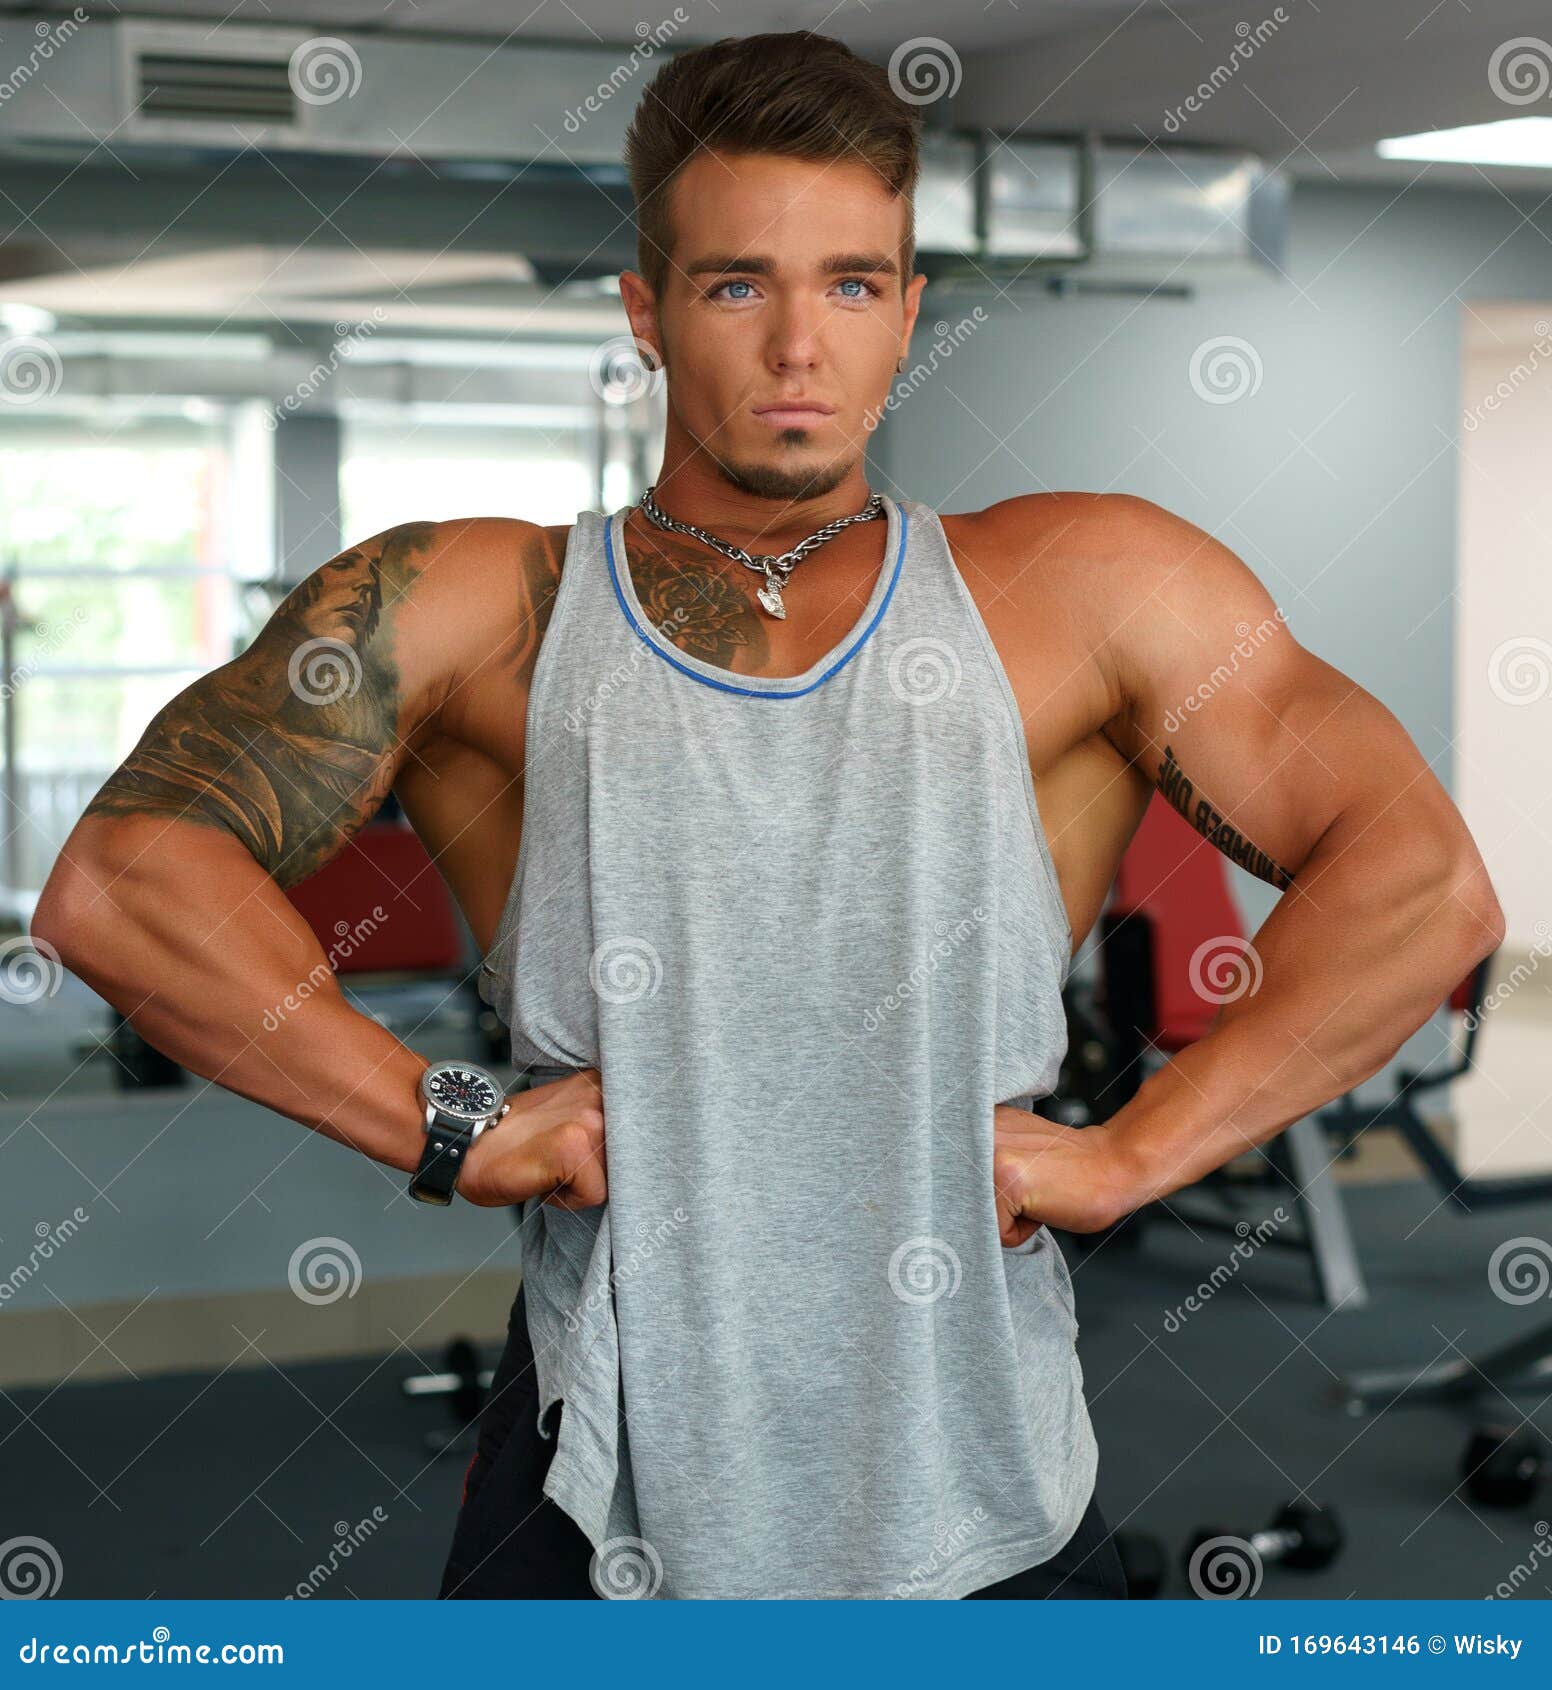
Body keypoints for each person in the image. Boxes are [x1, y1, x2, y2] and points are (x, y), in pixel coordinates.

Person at [33, 29, 1503, 1601]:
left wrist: (1140, 1152)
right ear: (645, 310)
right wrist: (444, 1124)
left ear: (907, 311)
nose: (800, 344)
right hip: (595, 1489)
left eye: (854, 284)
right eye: (738, 284)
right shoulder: (479, 603)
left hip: (984, 1490)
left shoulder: (1092, 589)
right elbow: (124, 879)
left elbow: (1422, 886)